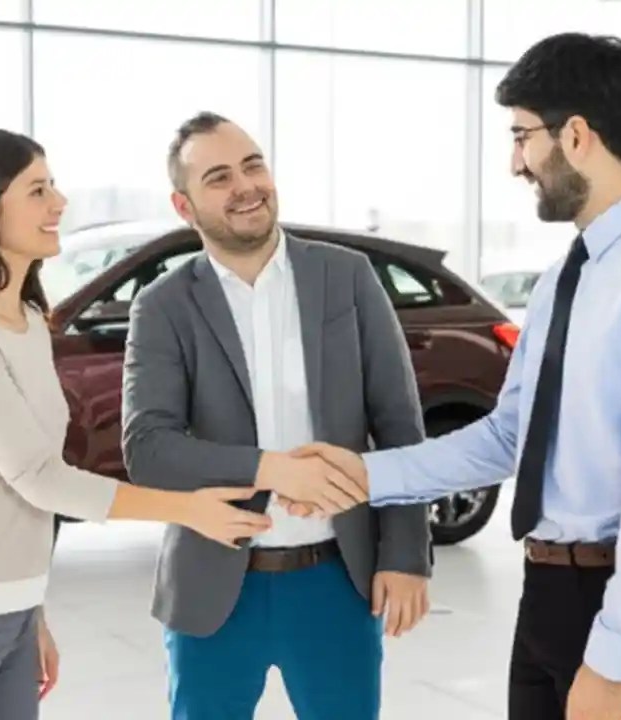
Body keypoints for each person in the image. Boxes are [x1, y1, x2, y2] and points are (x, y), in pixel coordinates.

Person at [293, 33, 621, 720]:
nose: (515, 162)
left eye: (522, 136)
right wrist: (365, 476)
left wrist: (614, 657)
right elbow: (510, 435)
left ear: (575, 135)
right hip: (548, 593)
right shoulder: (568, 275)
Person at [0, 128, 273, 720]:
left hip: (10, 616)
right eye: (38, 190)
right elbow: (39, 476)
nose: (58, 203)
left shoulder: (31, 322)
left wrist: (31, 610)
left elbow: (13, 501)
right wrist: (189, 509)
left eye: (52, 185)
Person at [120, 112, 433, 719]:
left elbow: (400, 425)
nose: (245, 185)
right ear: (184, 206)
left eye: (252, 164)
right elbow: (148, 448)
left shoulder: (347, 277)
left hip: (337, 582)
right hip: (213, 587)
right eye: (219, 177)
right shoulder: (162, 307)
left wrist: (405, 555)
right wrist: (272, 471)